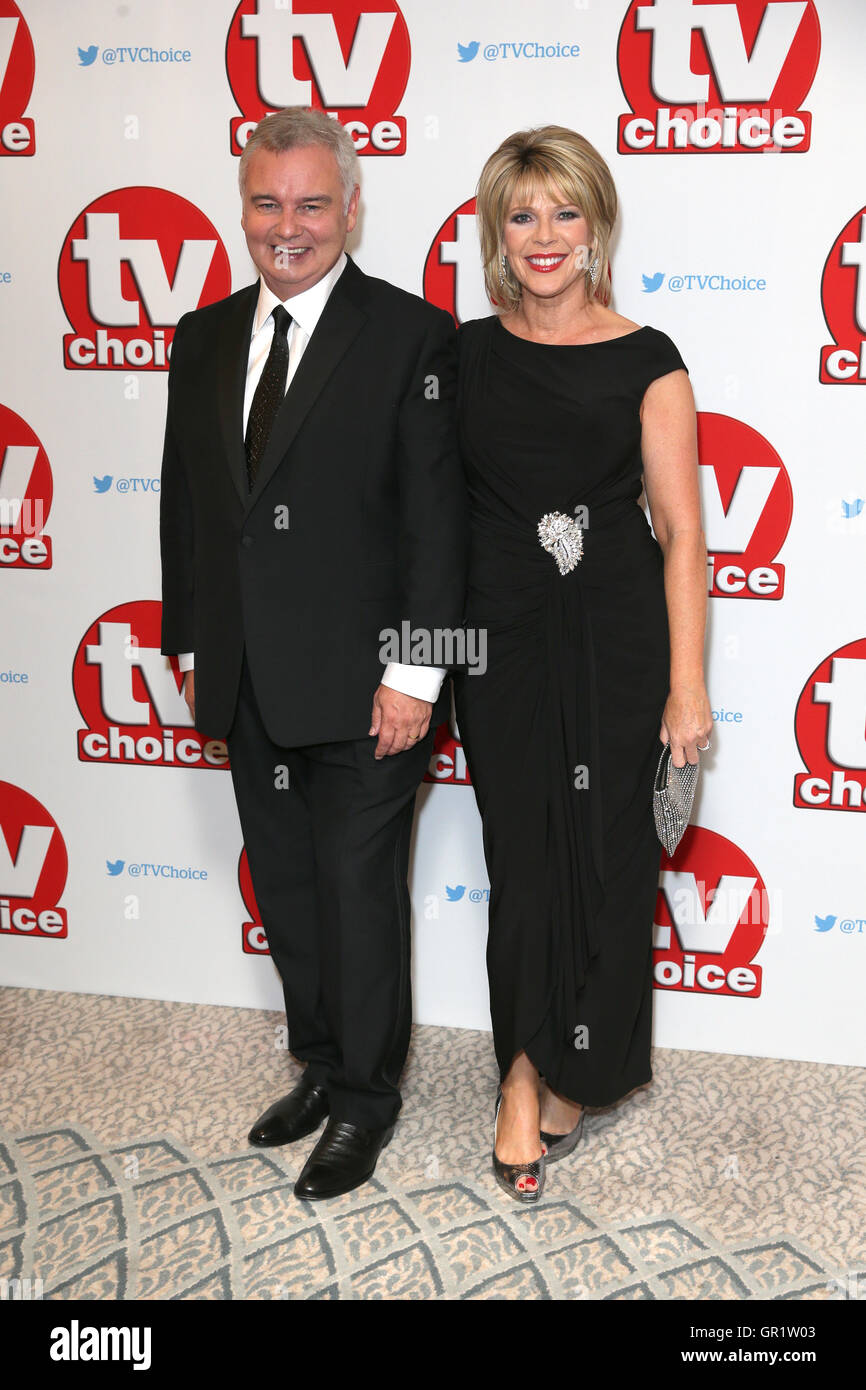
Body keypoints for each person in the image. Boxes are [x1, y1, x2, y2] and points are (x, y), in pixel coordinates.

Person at [159, 107, 466, 1201]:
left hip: (373, 684)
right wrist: (190, 642)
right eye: (265, 202)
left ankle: (368, 1102)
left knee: (356, 890)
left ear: (350, 207)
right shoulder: (201, 337)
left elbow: (442, 524)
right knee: (290, 888)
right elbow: (189, 510)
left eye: (310, 203)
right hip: (247, 676)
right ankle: (323, 1066)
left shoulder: (410, 336)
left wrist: (416, 675)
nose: (286, 225)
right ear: (241, 203)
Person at [454, 126, 711, 1202]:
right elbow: (426, 518)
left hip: (615, 638)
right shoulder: (459, 355)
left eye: (564, 212)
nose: (545, 235)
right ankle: (521, 1074)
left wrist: (686, 684)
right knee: (521, 861)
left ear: (597, 224)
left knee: (608, 866)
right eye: (523, 215)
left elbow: (682, 532)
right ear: (496, 235)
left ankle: (582, 1067)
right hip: (497, 640)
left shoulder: (648, 359)